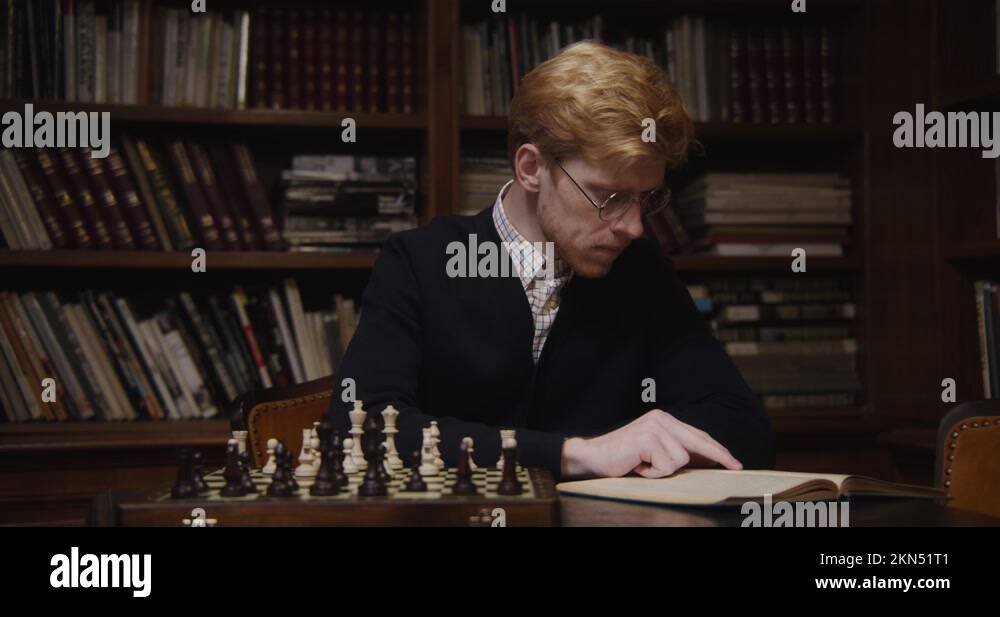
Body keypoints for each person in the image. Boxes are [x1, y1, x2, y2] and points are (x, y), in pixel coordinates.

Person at [327, 41, 774, 480]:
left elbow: (744, 427)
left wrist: (657, 433)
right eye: (609, 197)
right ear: (530, 169)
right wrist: (572, 454)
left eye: (645, 198)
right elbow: (360, 428)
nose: (634, 227)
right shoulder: (420, 261)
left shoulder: (643, 271)